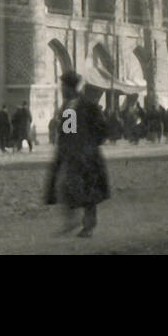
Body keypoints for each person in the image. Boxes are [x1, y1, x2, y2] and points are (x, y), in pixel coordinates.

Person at [45, 71, 110, 238]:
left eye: (63, 87)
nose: (62, 90)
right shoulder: (68, 107)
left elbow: (102, 129)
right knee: (66, 186)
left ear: (71, 87)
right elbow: (67, 133)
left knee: (89, 191)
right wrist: (62, 152)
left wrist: (90, 145)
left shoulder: (87, 105)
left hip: (88, 156)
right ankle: (71, 220)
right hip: (72, 155)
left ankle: (88, 225)